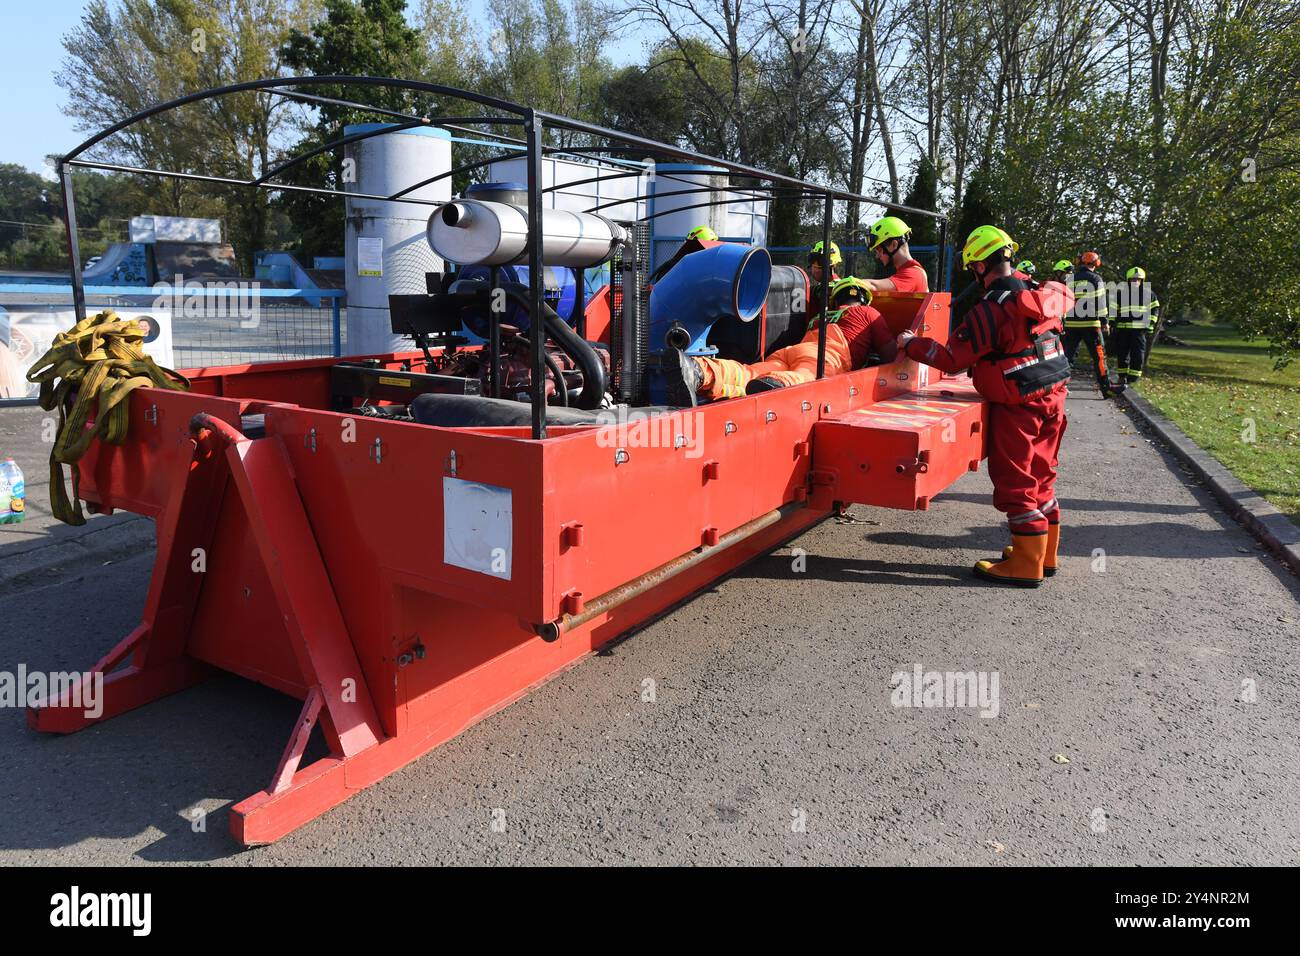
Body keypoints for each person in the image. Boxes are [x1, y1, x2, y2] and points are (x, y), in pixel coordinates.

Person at [896, 225, 1072, 586]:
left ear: (978, 265)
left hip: (1020, 405)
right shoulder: (1038, 293)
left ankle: (1025, 564)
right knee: (1043, 474)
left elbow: (951, 358)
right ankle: (1044, 554)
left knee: (1015, 481)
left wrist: (912, 343)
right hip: (1054, 396)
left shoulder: (992, 308)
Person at [665, 277, 886, 405]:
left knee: (749, 372)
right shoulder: (868, 313)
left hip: (791, 351)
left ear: (836, 299)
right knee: (808, 378)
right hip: (824, 357)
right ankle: (776, 386)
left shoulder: (820, 318)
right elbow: (891, 353)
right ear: (863, 299)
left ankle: (698, 370)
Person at [1062, 250, 1113, 398]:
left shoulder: (1070, 279)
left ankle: (1060, 388)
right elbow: (1101, 303)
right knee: (1099, 357)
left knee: (1067, 357)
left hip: (1071, 325)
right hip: (1091, 325)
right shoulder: (1096, 279)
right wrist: (1105, 322)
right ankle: (1105, 388)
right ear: (1096, 263)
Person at [1111, 266, 1161, 390]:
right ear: (1128, 280)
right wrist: (1112, 323)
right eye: (1133, 280)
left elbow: (1155, 310)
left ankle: (1133, 379)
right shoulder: (1121, 294)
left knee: (1137, 354)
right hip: (1123, 330)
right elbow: (1113, 309)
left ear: (1142, 281)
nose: (1135, 282)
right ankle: (1122, 376)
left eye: (1138, 280)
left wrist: (1150, 325)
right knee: (1122, 355)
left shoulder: (1149, 294)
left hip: (1139, 331)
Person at [862, 216, 929, 294]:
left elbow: (874, 286)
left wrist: (851, 283)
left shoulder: (913, 274)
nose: (877, 256)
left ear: (894, 245)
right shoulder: (905, 271)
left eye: (879, 250)